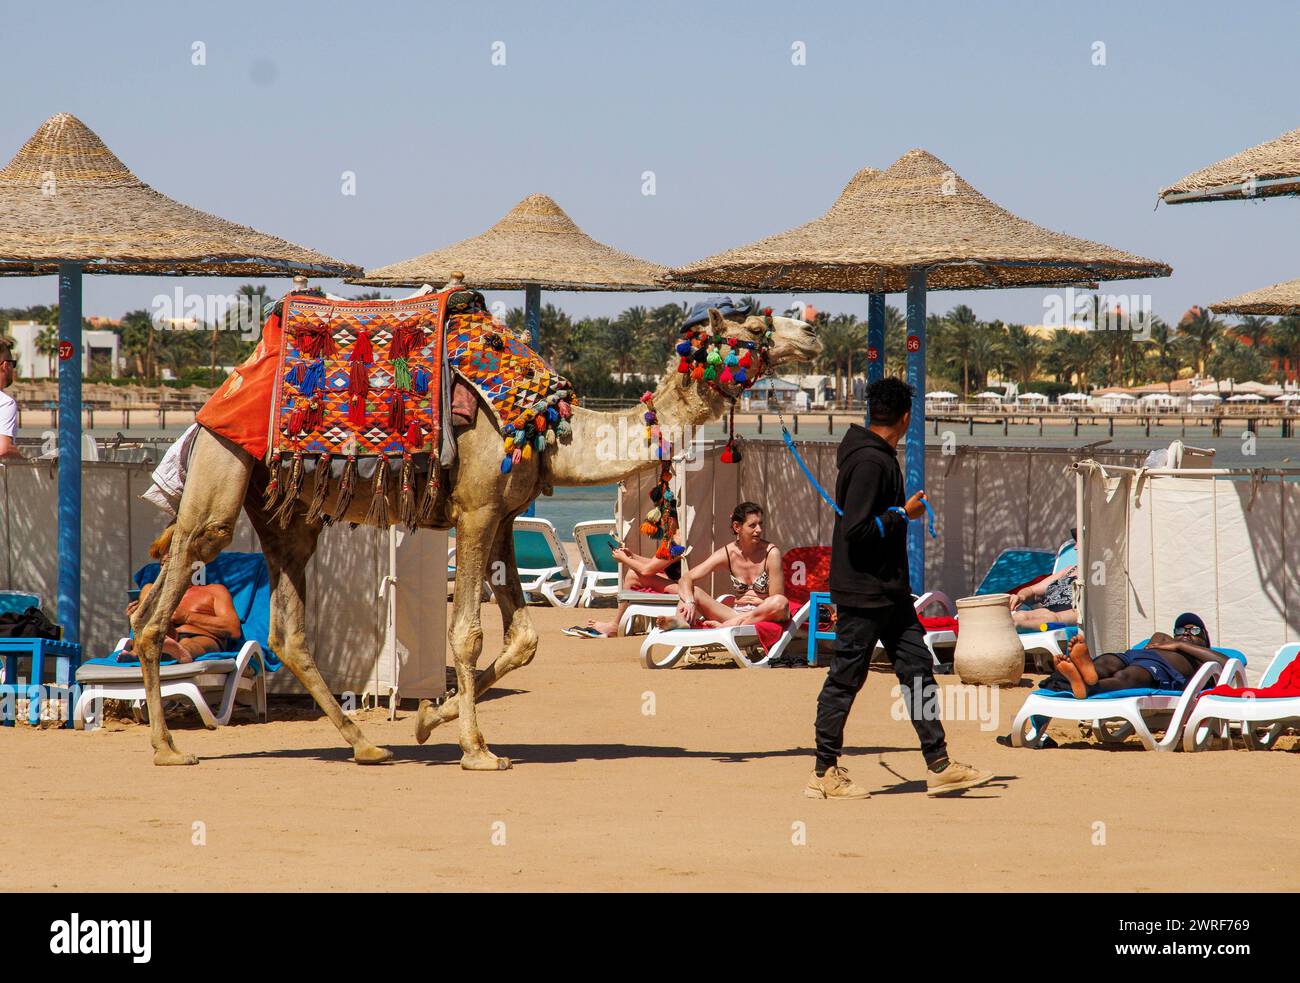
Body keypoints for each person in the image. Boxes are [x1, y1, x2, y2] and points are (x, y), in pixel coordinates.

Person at [808, 377, 993, 800]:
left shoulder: (873, 456)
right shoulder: (871, 463)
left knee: (918, 672)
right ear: (906, 417)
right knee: (845, 679)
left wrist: (894, 514)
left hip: (890, 594)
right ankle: (823, 772)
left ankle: (940, 764)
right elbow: (856, 530)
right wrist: (901, 513)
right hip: (863, 592)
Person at [122, 526, 241, 663]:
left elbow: (233, 629)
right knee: (148, 595)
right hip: (164, 634)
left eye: (172, 554)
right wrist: (138, 616)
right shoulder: (152, 590)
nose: (165, 557)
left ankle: (179, 652)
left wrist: (187, 616)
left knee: (192, 644)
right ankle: (139, 651)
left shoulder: (214, 591)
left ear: (193, 561)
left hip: (202, 636)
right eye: (163, 556)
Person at [1051, 613, 1223, 699]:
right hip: (1133, 655)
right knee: (1107, 662)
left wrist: (1181, 645)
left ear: (1205, 637)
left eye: (1194, 630)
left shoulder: (1203, 658)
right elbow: (1155, 641)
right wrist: (1171, 642)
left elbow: (1227, 663)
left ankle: (1087, 687)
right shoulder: (1163, 638)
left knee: (1127, 676)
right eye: (1180, 630)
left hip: (1161, 668)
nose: (1186, 632)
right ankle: (1086, 674)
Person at [675, 502, 789, 629]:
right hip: (734, 614)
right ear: (737, 527)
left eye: (760, 524)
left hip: (762, 615)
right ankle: (681, 622)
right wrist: (690, 601)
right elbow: (686, 578)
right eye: (752, 525)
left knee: (780, 602)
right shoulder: (728, 553)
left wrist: (739, 620)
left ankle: (729, 625)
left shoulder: (771, 553)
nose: (759, 530)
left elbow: (775, 599)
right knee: (691, 591)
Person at [567, 541, 685, 638]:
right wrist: (632, 556)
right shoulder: (682, 536)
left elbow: (646, 570)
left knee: (633, 575)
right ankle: (616, 624)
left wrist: (625, 560)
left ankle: (616, 625)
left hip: (685, 588)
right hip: (680, 583)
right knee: (633, 574)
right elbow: (655, 564)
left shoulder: (679, 542)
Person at [1009, 559, 1078, 629]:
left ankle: (1015, 626)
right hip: (1044, 613)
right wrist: (1021, 597)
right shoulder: (1070, 570)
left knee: (1050, 618)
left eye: (1078, 546)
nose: (1075, 548)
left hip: (1066, 617)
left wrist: (1053, 616)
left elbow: (1083, 613)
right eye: (1075, 546)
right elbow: (1032, 591)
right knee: (1021, 615)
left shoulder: (1088, 578)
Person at [0, 338, 23, 460]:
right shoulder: (5, 403)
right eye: (12, 363)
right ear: (5, 365)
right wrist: (26, 461)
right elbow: (3, 448)